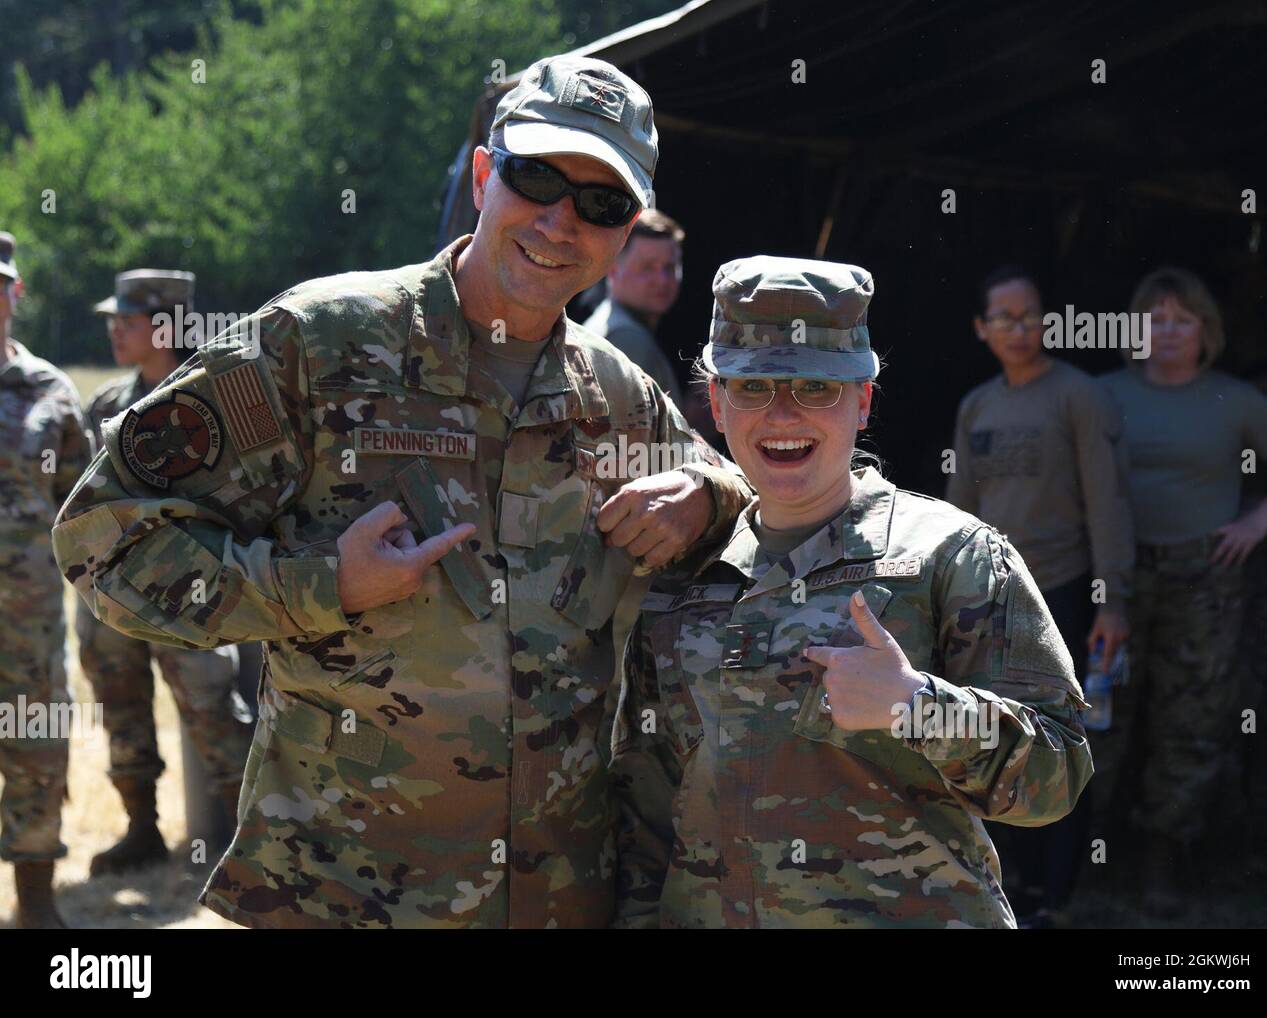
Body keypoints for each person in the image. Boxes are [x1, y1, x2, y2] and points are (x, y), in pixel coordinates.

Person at [53, 54, 751, 929]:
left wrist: (707, 490)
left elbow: (740, 503)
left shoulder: (617, 396)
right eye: (537, 178)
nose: (560, 221)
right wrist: (318, 588)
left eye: (601, 203)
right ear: (487, 175)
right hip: (344, 897)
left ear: (626, 229)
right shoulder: (321, 343)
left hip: (553, 899)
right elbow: (104, 535)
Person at [610, 256, 1092, 928]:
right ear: (716, 403)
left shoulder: (948, 555)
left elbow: (1059, 771)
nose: (783, 414)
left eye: (815, 386)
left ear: (863, 400)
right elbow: (647, 814)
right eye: (753, 387)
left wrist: (920, 708)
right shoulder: (682, 577)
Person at [1096, 266, 1267, 917]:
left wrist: (1258, 523)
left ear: (1206, 330)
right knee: (1102, 714)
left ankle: (1164, 858)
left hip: (1204, 580)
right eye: (1157, 318)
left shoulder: (1235, 401)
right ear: (1136, 327)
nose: (1170, 330)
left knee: (1191, 721)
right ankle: (1084, 851)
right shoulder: (1099, 396)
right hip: (1117, 580)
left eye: (1183, 319)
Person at [945, 266, 1134, 927]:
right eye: (1004, 317)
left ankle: (1054, 894)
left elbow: (1107, 501)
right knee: (993, 739)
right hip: (991, 598)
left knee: (1060, 740)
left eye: (1030, 315)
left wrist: (1112, 601)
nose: (1019, 328)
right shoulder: (977, 406)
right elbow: (960, 511)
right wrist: (946, 588)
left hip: (1064, 589)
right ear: (981, 329)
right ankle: (1011, 884)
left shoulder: (1076, 396)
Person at [76, 269, 252, 876]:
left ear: (168, 326)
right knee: (120, 707)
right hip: (113, 590)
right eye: (112, 321)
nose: (115, 331)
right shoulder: (105, 405)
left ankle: (240, 848)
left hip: (192, 591)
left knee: (213, 710)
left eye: (128, 320)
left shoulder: (216, 396)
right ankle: (142, 830)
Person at [0, 231, 93, 926]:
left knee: (37, 744)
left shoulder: (50, 390)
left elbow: (84, 497)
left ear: (16, 292)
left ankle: (35, 897)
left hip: (28, 615)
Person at [583, 208, 686, 407]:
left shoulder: (608, 325)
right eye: (647, 267)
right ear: (612, 269)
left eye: (670, 267)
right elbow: (635, 434)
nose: (662, 280)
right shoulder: (627, 338)